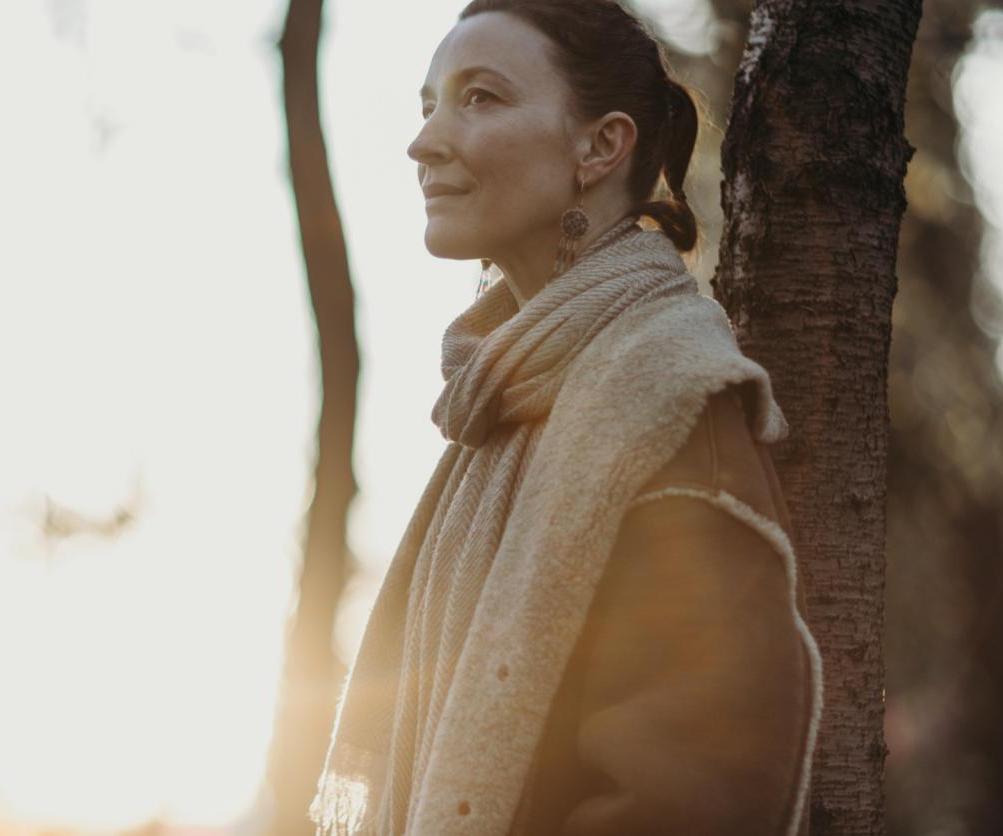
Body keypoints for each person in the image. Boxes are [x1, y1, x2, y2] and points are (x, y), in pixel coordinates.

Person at [307, 2, 824, 835]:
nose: (425, 142)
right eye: (429, 103)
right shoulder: (507, 401)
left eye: (479, 99)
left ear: (601, 145)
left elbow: (689, 803)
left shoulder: (670, 403)